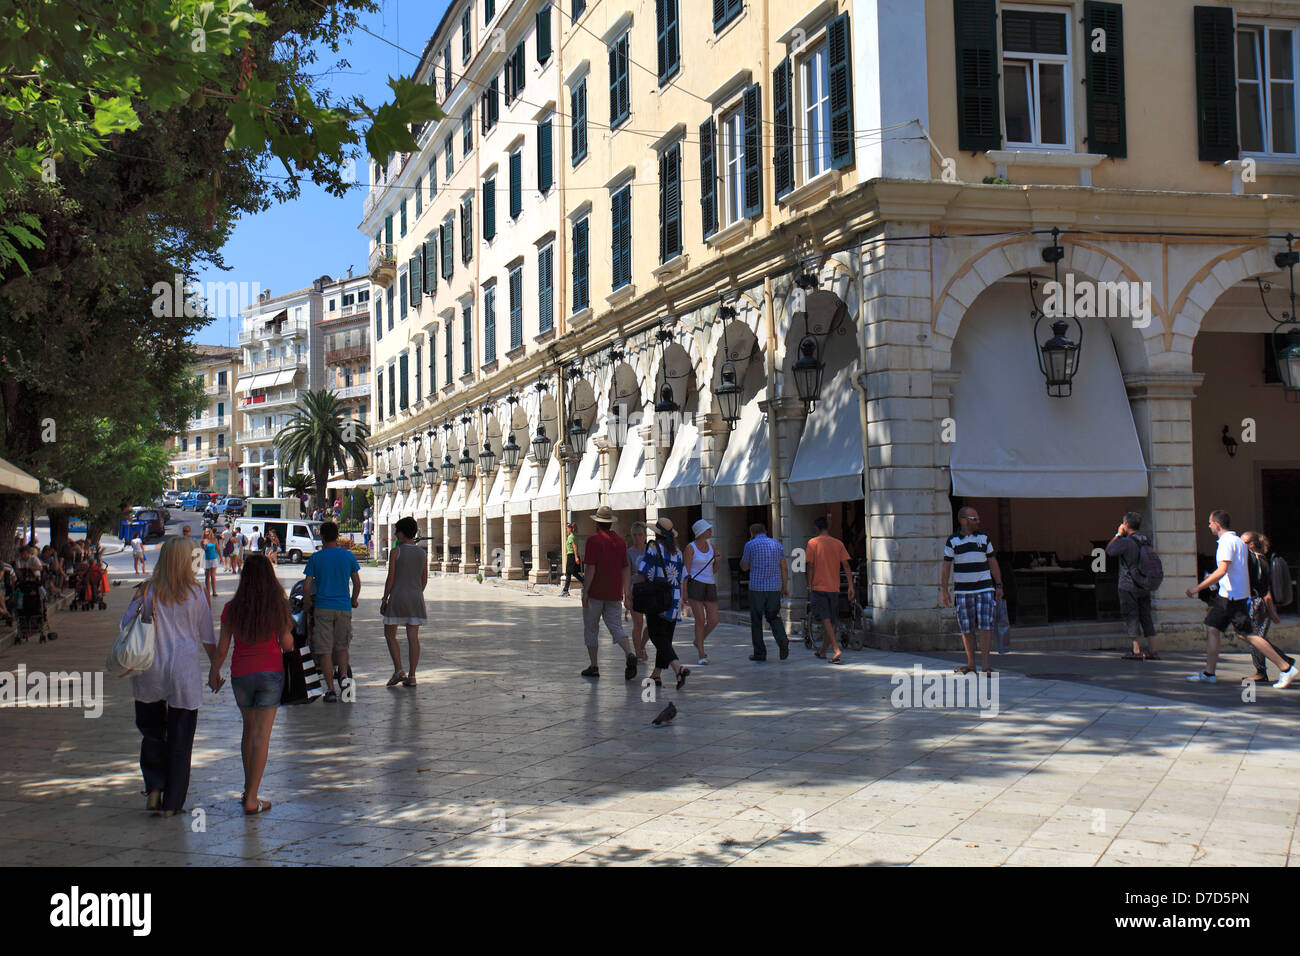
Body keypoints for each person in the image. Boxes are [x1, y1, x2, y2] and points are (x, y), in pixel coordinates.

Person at [122, 537, 217, 816]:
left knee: (152, 733)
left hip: (149, 669)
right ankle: (173, 803)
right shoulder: (197, 593)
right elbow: (207, 636)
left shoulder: (147, 590)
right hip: (183, 672)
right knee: (180, 737)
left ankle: (154, 787)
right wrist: (215, 668)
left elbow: (124, 625)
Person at [207, 554, 294, 815]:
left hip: (241, 675)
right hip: (270, 673)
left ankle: (248, 789)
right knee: (262, 736)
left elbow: (223, 648)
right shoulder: (278, 606)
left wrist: (214, 672)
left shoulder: (232, 609)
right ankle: (252, 797)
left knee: (248, 730)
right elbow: (287, 644)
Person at [1185, 511, 1298, 688]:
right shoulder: (1238, 541)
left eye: (1209, 523)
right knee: (1213, 627)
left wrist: (1198, 588)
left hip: (1231, 596)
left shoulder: (1226, 543)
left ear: (1216, 524)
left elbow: (1222, 570)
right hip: (1231, 595)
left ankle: (1285, 667)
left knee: (1247, 634)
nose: (1208, 526)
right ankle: (1209, 673)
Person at [302, 521, 362, 702]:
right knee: (342, 646)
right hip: (343, 607)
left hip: (323, 607)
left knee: (324, 650)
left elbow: (306, 587)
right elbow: (357, 583)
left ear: (322, 536)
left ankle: (330, 690)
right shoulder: (348, 556)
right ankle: (343, 676)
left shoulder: (316, 558)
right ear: (337, 536)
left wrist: (306, 603)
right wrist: (353, 600)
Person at [940, 507, 1002, 675]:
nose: (978, 521)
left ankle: (986, 666)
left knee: (985, 626)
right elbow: (946, 566)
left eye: (977, 518)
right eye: (974, 518)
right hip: (963, 590)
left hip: (984, 587)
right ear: (963, 520)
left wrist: (999, 584)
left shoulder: (984, 538)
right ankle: (971, 664)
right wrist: (944, 590)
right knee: (966, 627)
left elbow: (992, 561)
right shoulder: (953, 540)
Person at [579, 505, 638, 680]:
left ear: (597, 523)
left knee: (591, 628)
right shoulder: (620, 542)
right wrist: (627, 594)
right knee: (616, 627)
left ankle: (594, 665)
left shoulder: (593, 541)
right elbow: (625, 568)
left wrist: (586, 591)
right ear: (610, 524)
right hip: (614, 593)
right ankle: (629, 653)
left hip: (596, 592)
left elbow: (590, 568)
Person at [635, 518, 689, 689]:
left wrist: (635, 591)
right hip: (673, 599)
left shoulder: (653, 547)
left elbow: (644, 570)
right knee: (665, 638)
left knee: (657, 636)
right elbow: (682, 576)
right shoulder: (678, 552)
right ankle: (656, 675)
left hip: (656, 598)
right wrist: (682, 598)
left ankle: (678, 669)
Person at [1241, 532, 1295, 684]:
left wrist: (1272, 612)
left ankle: (1264, 670)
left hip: (1258, 604)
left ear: (1251, 545)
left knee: (1255, 638)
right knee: (1256, 638)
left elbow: (1266, 591)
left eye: (1243, 542)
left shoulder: (1258, 562)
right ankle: (1283, 660)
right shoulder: (1257, 561)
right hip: (1257, 603)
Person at [381, 516, 427, 688]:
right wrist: (416, 591)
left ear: (402, 532)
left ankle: (399, 669)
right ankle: (413, 675)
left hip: (398, 596)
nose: (395, 534)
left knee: (390, 633)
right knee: (413, 637)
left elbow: (390, 578)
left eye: (397, 531)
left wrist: (385, 598)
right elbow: (424, 579)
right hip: (416, 597)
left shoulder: (396, 552)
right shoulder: (422, 553)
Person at [1106, 512, 1159, 660]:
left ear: (1126, 525)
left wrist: (1118, 533)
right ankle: (1153, 650)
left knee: (1131, 616)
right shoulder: (1145, 540)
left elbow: (1109, 551)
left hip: (1128, 585)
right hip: (1144, 584)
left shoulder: (1126, 542)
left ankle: (1136, 651)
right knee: (1146, 616)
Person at [807, 516, 857, 665]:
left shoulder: (812, 543)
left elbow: (810, 566)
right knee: (832, 619)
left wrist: (809, 584)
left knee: (825, 618)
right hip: (834, 587)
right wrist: (850, 585)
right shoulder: (838, 543)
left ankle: (836, 649)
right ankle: (823, 650)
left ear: (816, 528)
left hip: (819, 586)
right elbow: (846, 566)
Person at [740, 523, 790, 661]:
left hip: (757, 588)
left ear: (752, 533)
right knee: (774, 616)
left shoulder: (750, 545)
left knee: (756, 620)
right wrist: (784, 586)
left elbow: (744, 567)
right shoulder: (777, 544)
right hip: (774, 588)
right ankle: (782, 640)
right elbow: (784, 567)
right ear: (766, 531)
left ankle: (760, 653)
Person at [683, 519, 721, 665]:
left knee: (713, 620)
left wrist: (717, 561)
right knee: (700, 620)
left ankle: (698, 641)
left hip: (710, 584)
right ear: (700, 532)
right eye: (707, 529)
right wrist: (684, 590)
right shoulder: (690, 548)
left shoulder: (712, 547)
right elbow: (685, 570)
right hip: (695, 584)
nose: (710, 531)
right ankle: (701, 654)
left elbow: (714, 570)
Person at [625, 522, 648, 662]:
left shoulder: (650, 550)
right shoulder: (629, 552)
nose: (638, 538)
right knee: (638, 623)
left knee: (652, 625)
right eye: (635, 535)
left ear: (645, 535)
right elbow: (626, 575)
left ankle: (642, 646)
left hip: (650, 591)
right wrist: (626, 595)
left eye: (640, 535)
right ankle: (638, 652)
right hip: (635, 591)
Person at [560, 520, 584, 597]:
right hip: (574, 556)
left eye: (567, 529)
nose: (566, 530)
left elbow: (574, 547)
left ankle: (565, 590)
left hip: (571, 556)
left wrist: (576, 557)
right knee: (575, 573)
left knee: (568, 573)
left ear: (570, 529)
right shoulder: (575, 537)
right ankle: (585, 583)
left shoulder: (570, 537)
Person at [200, 528, 220, 602]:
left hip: (214, 559)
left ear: (210, 532)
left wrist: (221, 557)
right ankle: (208, 592)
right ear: (204, 533)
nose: (207, 533)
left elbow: (218, 549)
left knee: (213, 576)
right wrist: (203, 546)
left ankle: (214, 591)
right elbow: (202, 549)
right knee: (207, 576)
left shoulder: (214, 540)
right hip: (206, 559)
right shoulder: (203, 541)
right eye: (206, 532)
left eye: (208, 532)